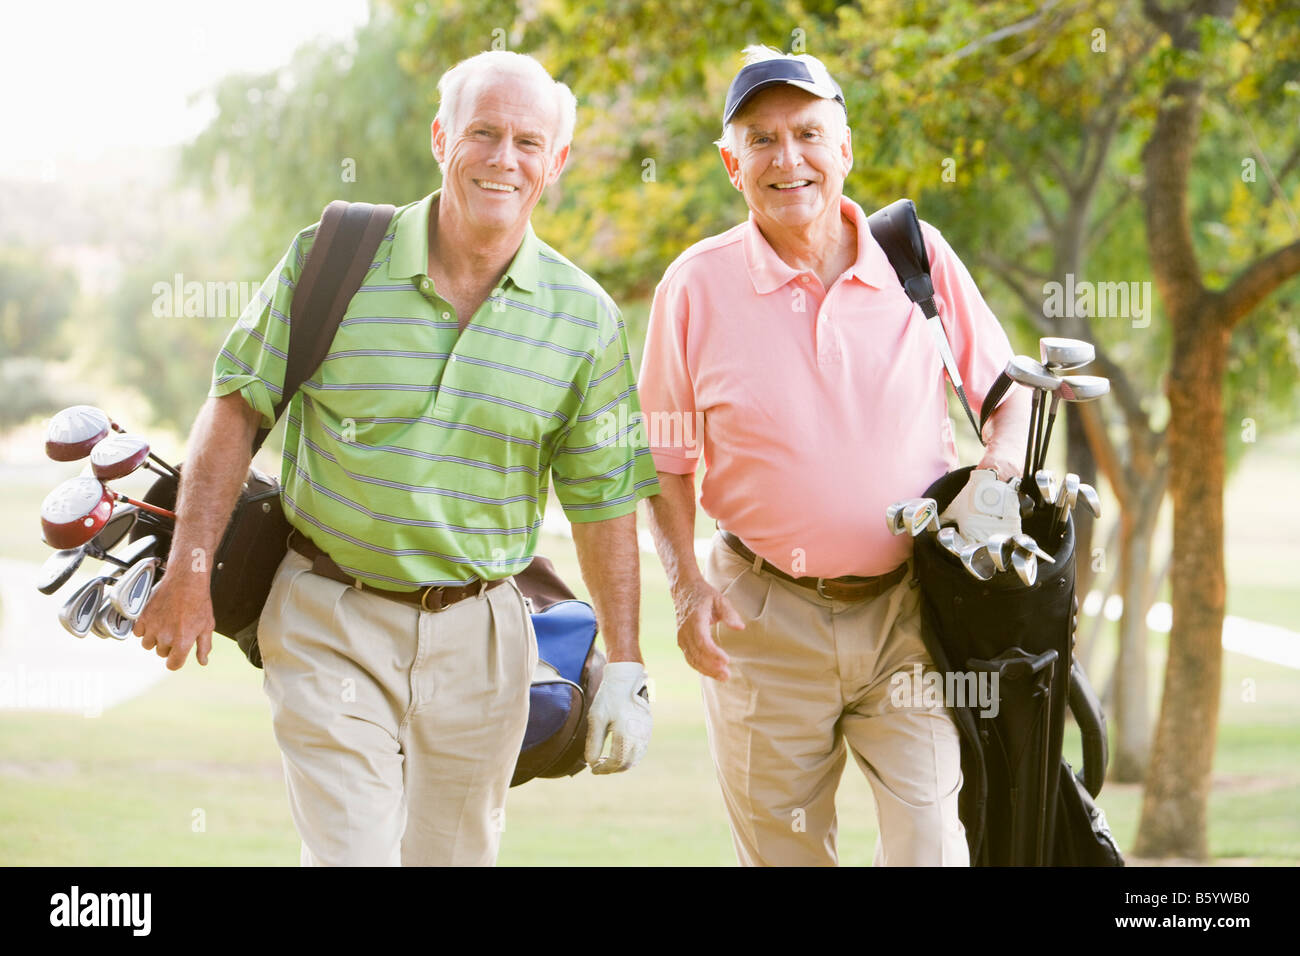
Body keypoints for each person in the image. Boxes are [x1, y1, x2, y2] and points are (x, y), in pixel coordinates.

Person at [133, 51, 659, 866]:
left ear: (556, 163)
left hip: (485, 634)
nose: (503, 158)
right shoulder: (336, 255)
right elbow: (237, 405)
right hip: (328, 610)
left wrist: (624, 663)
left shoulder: (585, 318)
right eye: (483, 132)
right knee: (352, 853)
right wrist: (188, 567)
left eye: (528, 142)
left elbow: (603, 500)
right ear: (441, 137)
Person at [638, 46, 1032, 866]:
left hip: (910, 612)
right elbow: (666, 462)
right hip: (762, 615)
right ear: (730, 162)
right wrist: (684, 588)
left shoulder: (915, 255)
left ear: (845, 148)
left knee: (932, 843)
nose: (789, 159)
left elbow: (1007, 395)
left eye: (809, 133)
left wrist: (997, 472)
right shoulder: (693, 287)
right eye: (762, 139)